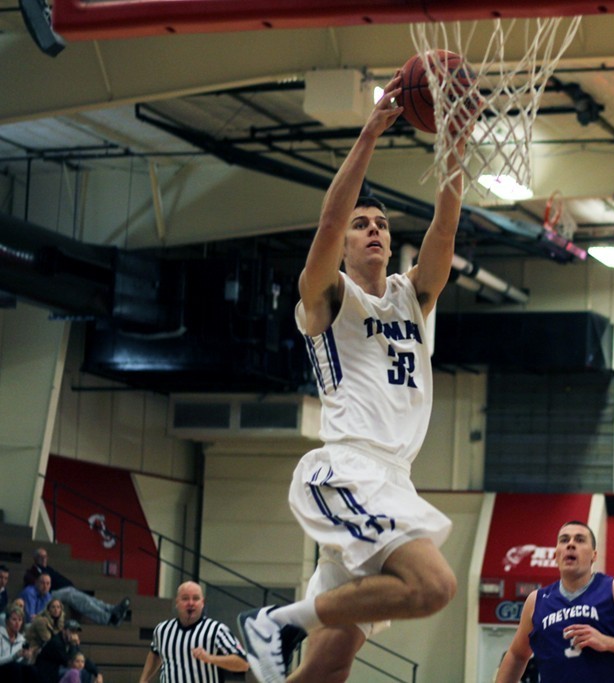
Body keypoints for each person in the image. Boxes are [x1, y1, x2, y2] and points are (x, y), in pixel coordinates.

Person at [237, 68, 469, 683]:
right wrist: (370, 132)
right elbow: (327, 223)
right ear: (344, 244)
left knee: (328, 669)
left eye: (382, 225)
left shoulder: (412, 297)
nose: (373, 230)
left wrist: (455, 141)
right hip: (349, 469)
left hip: (393, 480)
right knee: (435, 585)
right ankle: (279, 621)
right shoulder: (329, 295)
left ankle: (288, 627)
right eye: (362, 224)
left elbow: (445, 226)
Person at [494, 521, 614, 682]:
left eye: (579, 540)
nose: (571, 544)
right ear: (556, 555)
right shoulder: (536, 601)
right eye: (564, 540)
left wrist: (608, 642)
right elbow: (517, 655)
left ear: (594, 555)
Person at [139, 581, 248, 683]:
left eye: (196, 598)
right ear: (177, 602)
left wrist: (210, 658)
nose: (191, 603)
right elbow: (155, 653)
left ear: (202, 603)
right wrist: (143, 680)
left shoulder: (216, 630)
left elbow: (243, 663)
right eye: (185, 598)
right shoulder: (162, 630)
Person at [21, 550, 129, 627]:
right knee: (73, 596)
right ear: (35, 559)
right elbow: (36, 587)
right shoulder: (33, 571)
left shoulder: (48, 568)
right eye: (41, 557)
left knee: (88, 599)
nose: (44, 559)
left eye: (45, 557)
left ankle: (112, 609)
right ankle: (108, 619)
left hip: (66, 589)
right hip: (51, 594)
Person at [33, 620, 101, 683]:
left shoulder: (70, 642)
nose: (74, 634)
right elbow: (70, 662)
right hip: (49, 673)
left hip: (60, 669)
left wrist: (97, 673)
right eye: (71, 631)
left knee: (87, 672)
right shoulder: (56, 642)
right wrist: (73, 644)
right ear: (64, 631)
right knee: (76, 672)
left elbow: (81, 658)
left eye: (75, 632)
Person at [0, 608, 39, 683]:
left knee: (32, 670)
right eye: (14, 619)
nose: (17, 623)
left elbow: (22, 664)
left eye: (20, 620)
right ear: (7, 621)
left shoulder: (22, 640)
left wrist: (26, 658)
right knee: (15, 667)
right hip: (2, 671)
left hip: (13, 673)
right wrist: (14, 657)